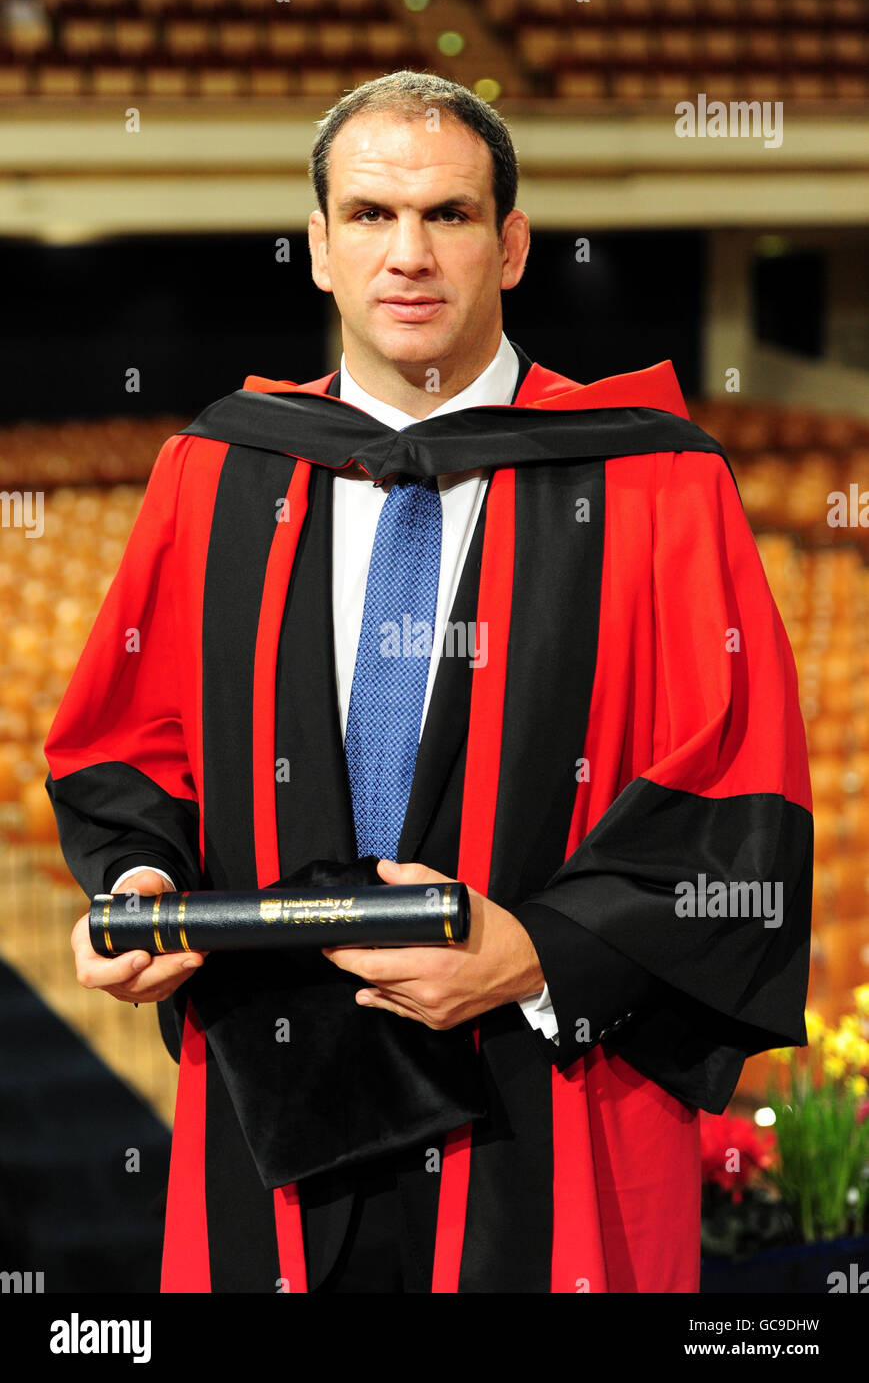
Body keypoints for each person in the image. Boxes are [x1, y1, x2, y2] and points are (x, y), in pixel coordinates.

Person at [44, 71, 813, 1294]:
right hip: (278, 1089)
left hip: (546, 1099)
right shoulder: (218, 474)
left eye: (447, 215)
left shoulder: (653, 485)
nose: (407, 254)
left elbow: (733, 807)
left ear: (510, 245)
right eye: (369, 215)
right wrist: (142, 884)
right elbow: (129, 746)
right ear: (317, 248)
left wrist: (540, 953)